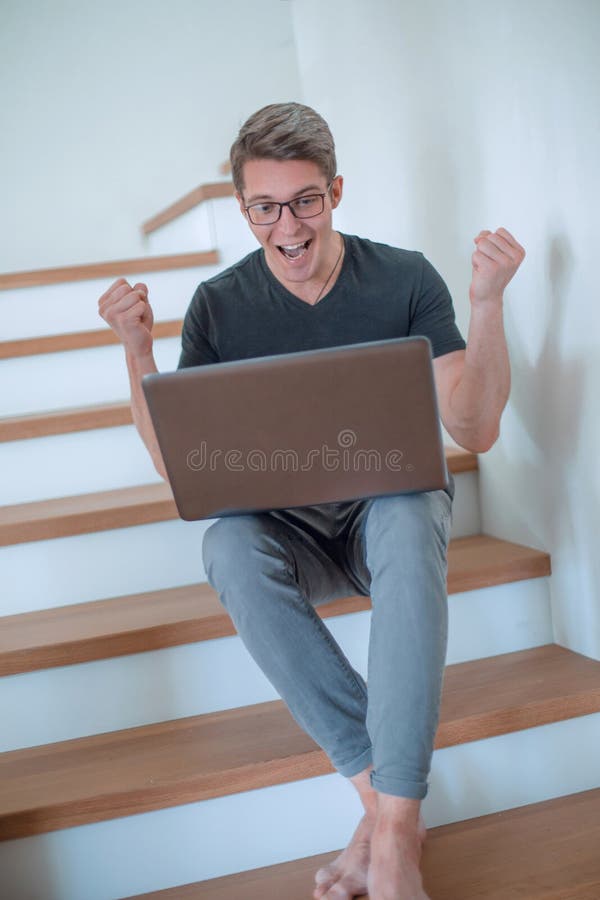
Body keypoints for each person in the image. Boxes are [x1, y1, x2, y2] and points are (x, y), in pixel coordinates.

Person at [99, 102, 525, 900]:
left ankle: (391, 837)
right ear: (244, 209)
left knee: (407, 503)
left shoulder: (402, 277)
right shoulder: (219, 306)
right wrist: (137, 352)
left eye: (305, 200)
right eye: (265, 207)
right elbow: (177, 466)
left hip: (385, 528)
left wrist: (489, 305)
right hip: (293, 540)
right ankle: (386, 807)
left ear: (336, 192)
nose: (286, 226)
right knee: (224, 542)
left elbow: (476, 428)